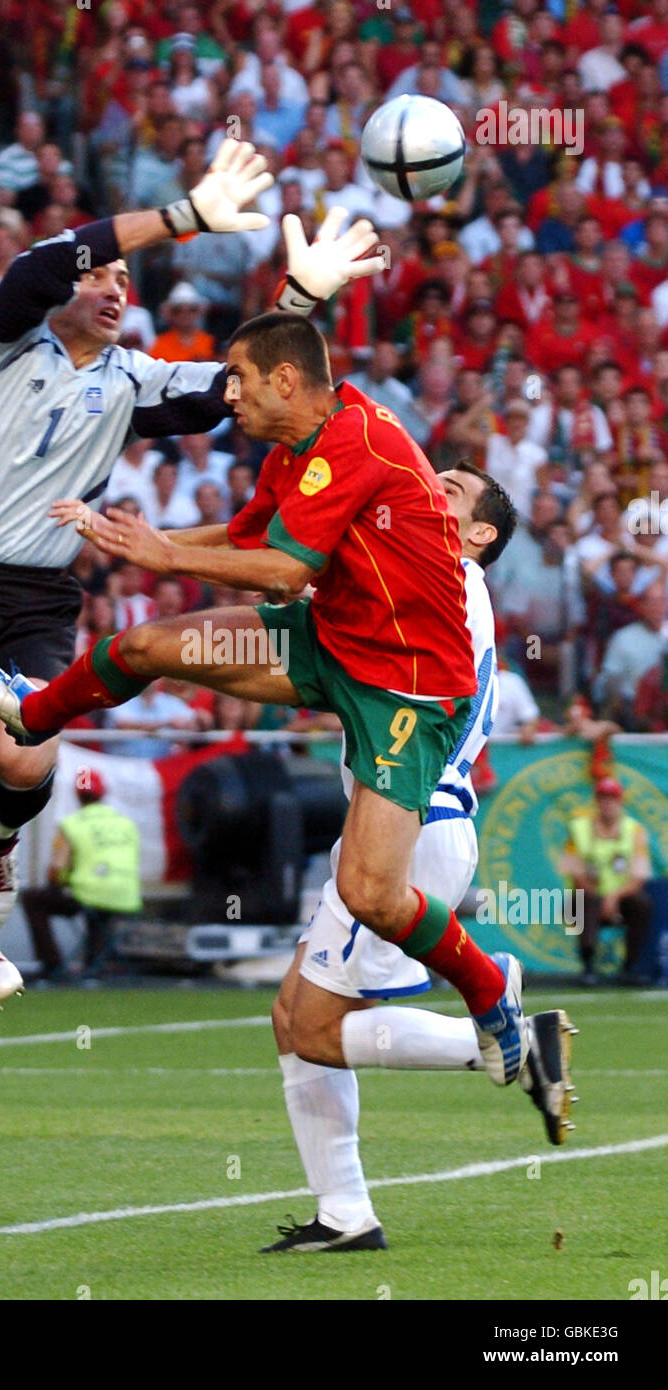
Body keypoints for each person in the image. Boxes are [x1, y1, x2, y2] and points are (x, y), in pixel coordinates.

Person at [0, 316, 530, 1094]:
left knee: (371, 897)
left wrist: (164, 554)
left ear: (284, 381)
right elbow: (251, 532)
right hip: (330, 643)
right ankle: (35, 711)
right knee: (149, 647)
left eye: (238, 378)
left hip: (404, 689)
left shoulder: (361, 445)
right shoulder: (304, 448)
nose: (228, 393)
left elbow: (285, 570)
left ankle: (491, 996)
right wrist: (130, 536)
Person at [0, 142, 384, 1010]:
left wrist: (300, 297)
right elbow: (44, 262)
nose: (117, 289)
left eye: (126, 281)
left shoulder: (133, 384)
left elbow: (241, 387)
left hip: (38, 596)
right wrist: (183, 217)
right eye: (101, 276)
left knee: (27, 760)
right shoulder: (2, 345)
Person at [262, 464, 576, 1253]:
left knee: (319, 1031)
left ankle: (499, 1034)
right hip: (384, 820)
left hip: (415, 823)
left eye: (449, 490)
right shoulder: (428, 571)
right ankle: (344, 1214)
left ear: (478, 536)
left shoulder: (450, 573)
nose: (426, 486)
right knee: (291, 1017)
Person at [20, 768, 141, 982]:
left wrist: (57, 884)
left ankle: (53, 965)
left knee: (32, 900)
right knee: (100, 912)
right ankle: (94, 964)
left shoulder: (72, 824)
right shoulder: (126, 824)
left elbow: (57, 868)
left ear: (77, 795)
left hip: (90, 894)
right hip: (127, 896)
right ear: (103, 793)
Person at [561, 777, 653, 986]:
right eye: (603, 798)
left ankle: (630, 967)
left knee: (642, 903)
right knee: (587, 901)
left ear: (621, 802)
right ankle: (588, 966)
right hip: (586, 899)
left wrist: (613, 898)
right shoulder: (578, 829)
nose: (608, 804)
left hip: (620, 898)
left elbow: (638, 877)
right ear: (596, 802)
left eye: (612, 799)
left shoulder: (634, 831)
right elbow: (575, 874)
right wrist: (601, 899)